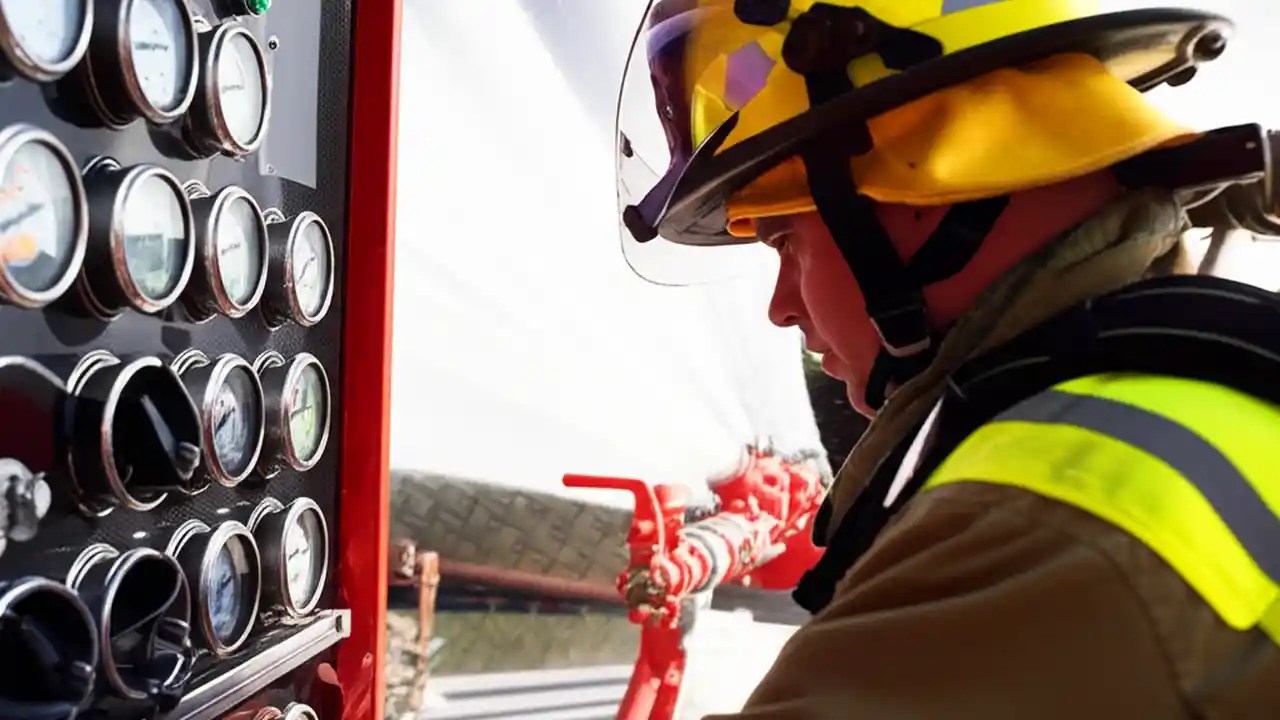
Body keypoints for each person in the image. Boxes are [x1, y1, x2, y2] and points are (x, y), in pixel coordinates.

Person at [613, 1, 1280, 717]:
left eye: (785, 243)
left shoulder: (1040, 512)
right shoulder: (1176, 401)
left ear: (929, 190)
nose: (781, 305)